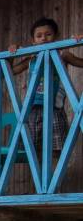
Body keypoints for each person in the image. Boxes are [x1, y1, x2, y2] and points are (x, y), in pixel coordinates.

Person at [9, 18, 83, 157]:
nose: (44, 38)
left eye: (48, 34)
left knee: (56, 151)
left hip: (54, 108)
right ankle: (39, 177)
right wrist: (12, 53)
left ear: (56, 38)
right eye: (39, 36)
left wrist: (81, 40)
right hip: (32, 110)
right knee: (32, 151)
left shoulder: (63, 55)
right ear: (33, 41)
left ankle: (52, 178)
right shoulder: (31, 58)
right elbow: (10, 71)